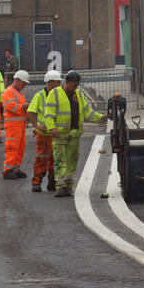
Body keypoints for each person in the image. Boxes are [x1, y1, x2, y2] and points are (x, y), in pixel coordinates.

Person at [40, 69, 105, 198]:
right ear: (67, 82)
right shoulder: (55, 94)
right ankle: (60, 186)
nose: (76, 86)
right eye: (74, 84)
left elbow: (87, 111)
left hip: (74, 134)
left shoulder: (78, 95)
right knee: (60, 160)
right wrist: (52, 127)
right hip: (59, 135)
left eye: (77, 84)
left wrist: (101, 117)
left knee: (71, 161)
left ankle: (68, 186)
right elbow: (48, 113)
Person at [27, 70, 62, 192]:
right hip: (43, 134)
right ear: (50, 82)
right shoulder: (40, 96)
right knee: (41, 157)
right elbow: (30, 112)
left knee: (55, 159)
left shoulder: (59, 95)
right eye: (58, 82)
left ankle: (53, 181)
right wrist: (37, 126)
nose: (59, 84)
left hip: (55, 134)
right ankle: (37, 180)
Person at [0, 70, 31, 180]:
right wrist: (24, 106)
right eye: (23, 84)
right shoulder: (8, 92)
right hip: (13, 125)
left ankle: (15, 168)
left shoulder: (18, 92)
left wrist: (24, 107)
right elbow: (10, 106)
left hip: (20, 125)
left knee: (20, 147)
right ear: (17, 80)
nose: (24, 86)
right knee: (12, 147)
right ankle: (7, 170)